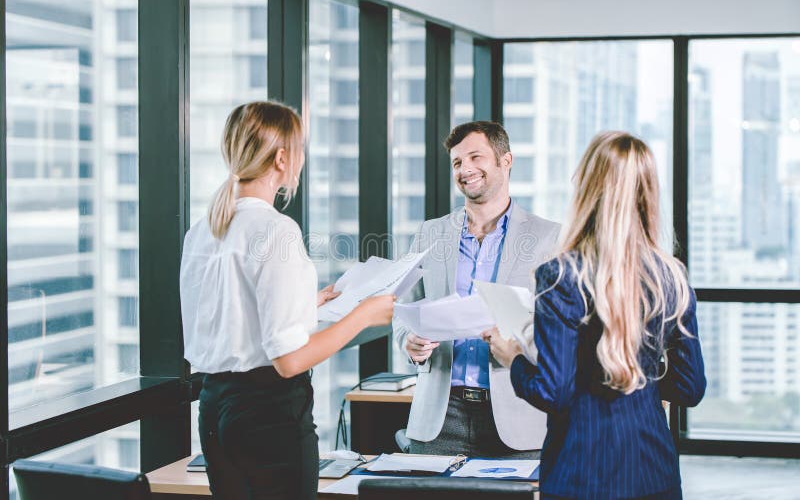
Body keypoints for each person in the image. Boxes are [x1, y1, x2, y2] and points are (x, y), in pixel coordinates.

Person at [179, 101, 395, 500]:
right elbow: (290, 361)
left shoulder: (203, 230)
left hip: (213, 409)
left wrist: (303, 305)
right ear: (282, 158)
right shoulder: (276, 229)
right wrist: (363, 315)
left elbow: (227, 315)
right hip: (268, 415)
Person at [483, 131, 706, 499]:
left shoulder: (561, 276)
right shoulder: (671, 276)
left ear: (586, 187)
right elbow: (690, 387)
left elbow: (554, 393)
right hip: (654, 472)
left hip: (579, 473)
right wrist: (639, 384)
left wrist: (515, 359)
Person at [393, 121, 560, 457]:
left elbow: (562, 331)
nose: (465, 169)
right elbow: (401, 310)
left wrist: (520, 345)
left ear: (505, 160)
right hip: (440, 418)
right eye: (457, 163)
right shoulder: (430, 233)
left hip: (517, 415)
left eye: (475, 157)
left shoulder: (549, 238)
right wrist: (409, 342)